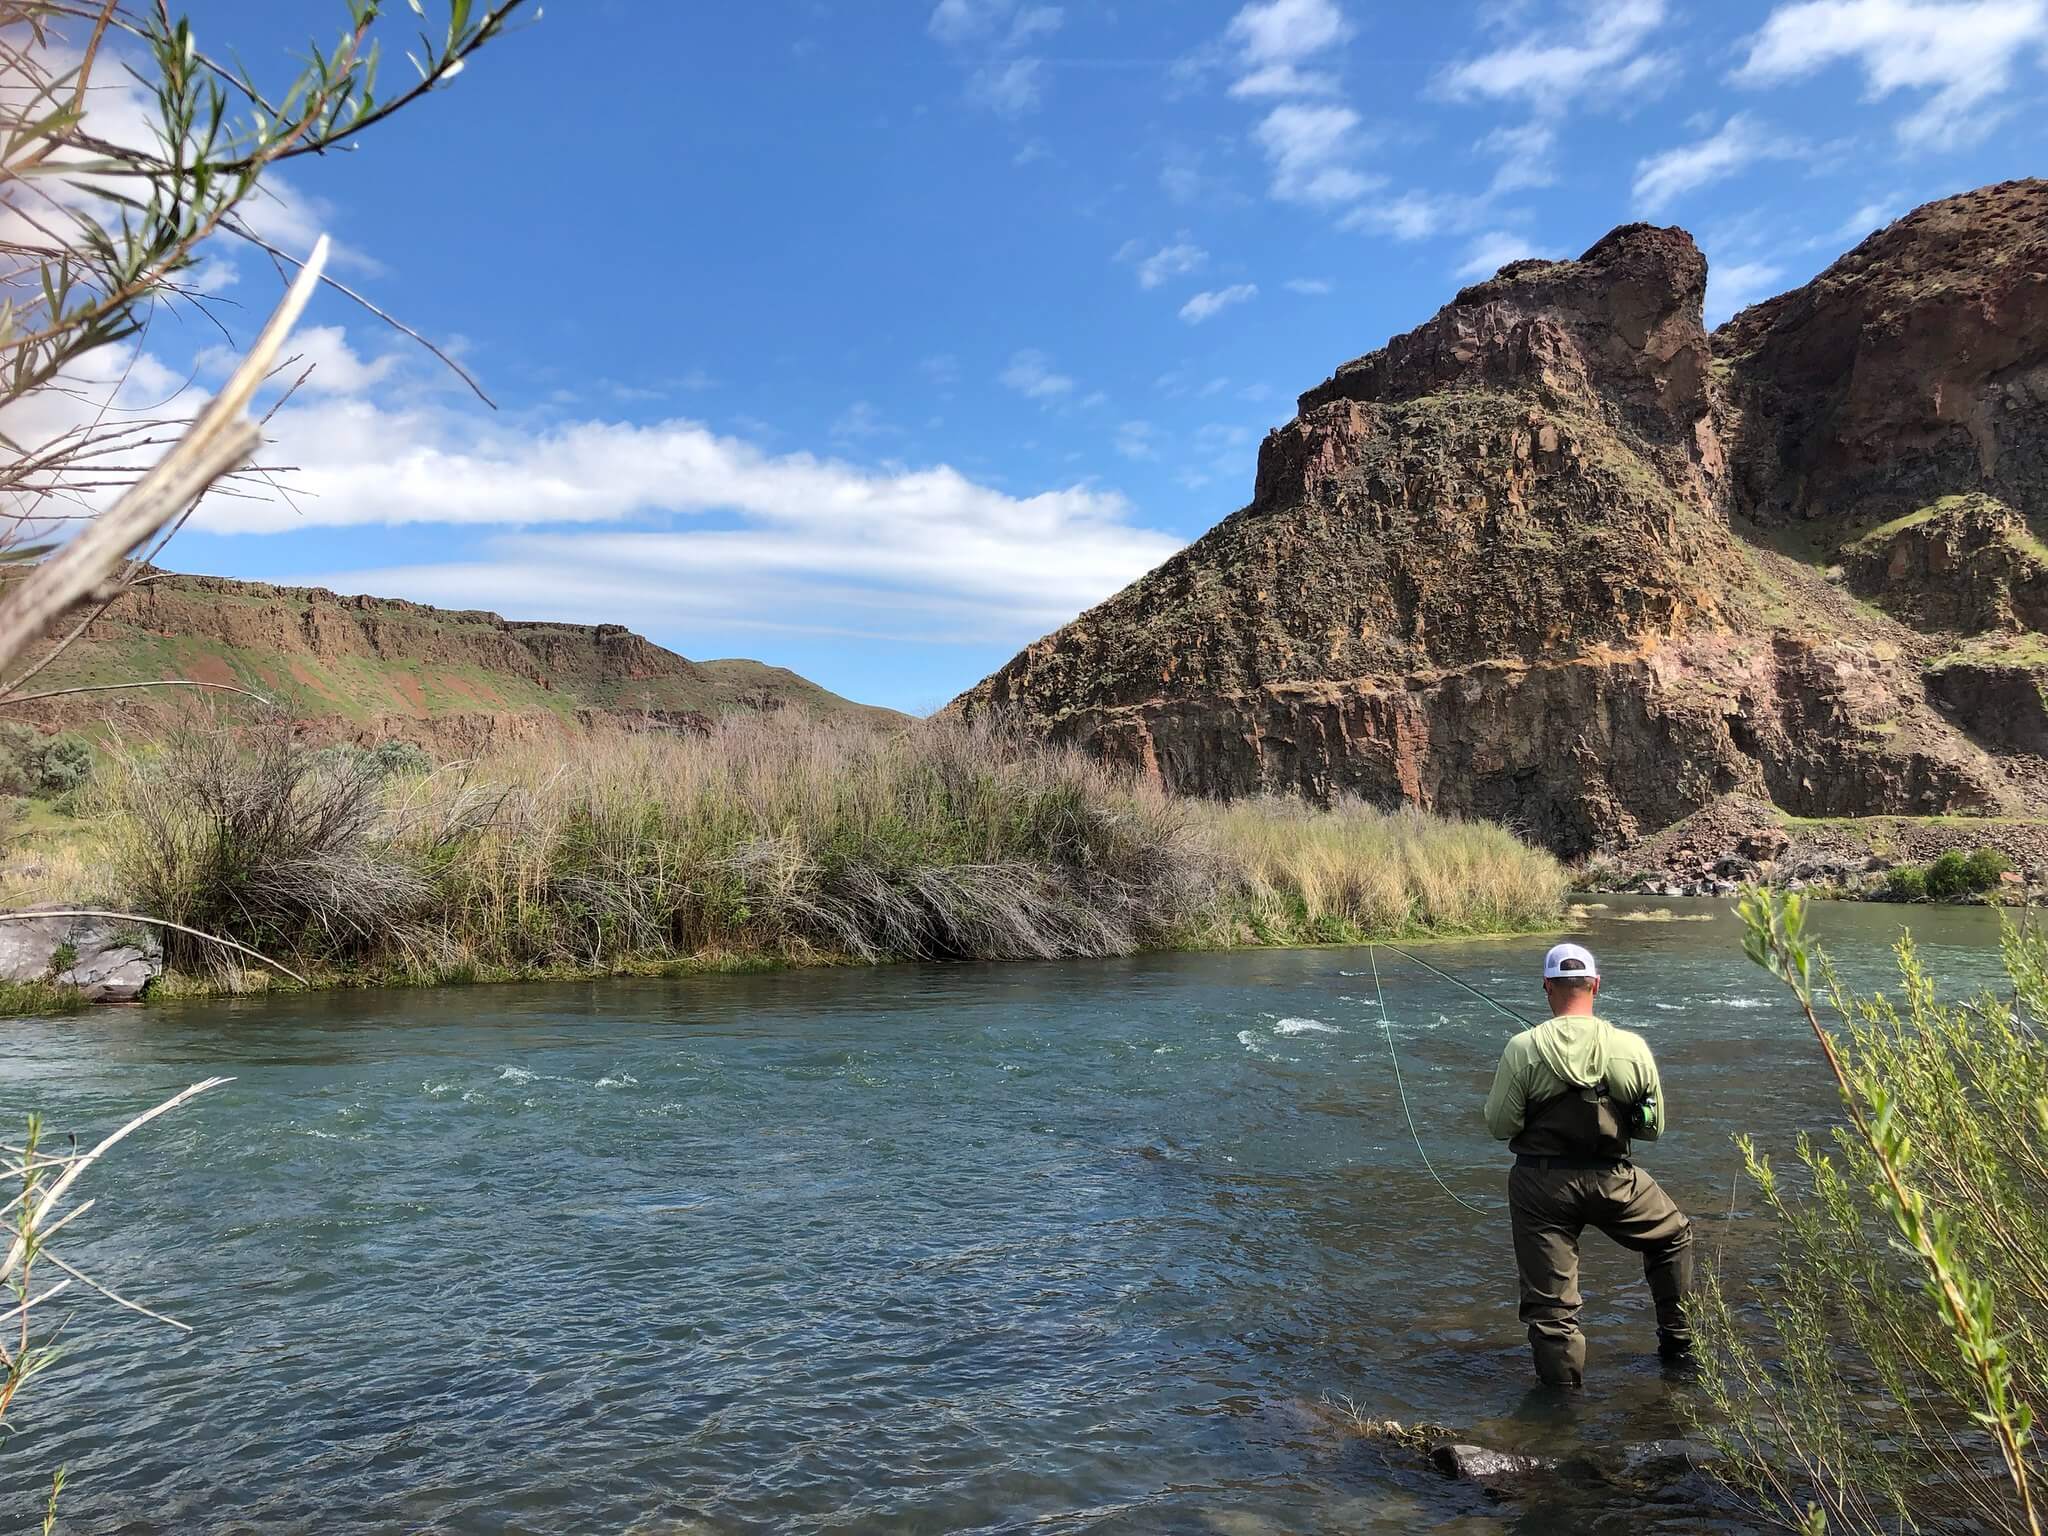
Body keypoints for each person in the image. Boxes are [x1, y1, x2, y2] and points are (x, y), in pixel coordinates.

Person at [1482, 941, 1693, 1386]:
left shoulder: (1522, 1049)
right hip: (1615, 1180)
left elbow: (1500, 1126)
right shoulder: (1631, 1047)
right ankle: (1679, 1347)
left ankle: (1561, 1407)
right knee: (1672, 1236)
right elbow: (1653, 1129)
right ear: (1596, 985)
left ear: (1547, 986)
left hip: (1541, 1188)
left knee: (1552, 1308)